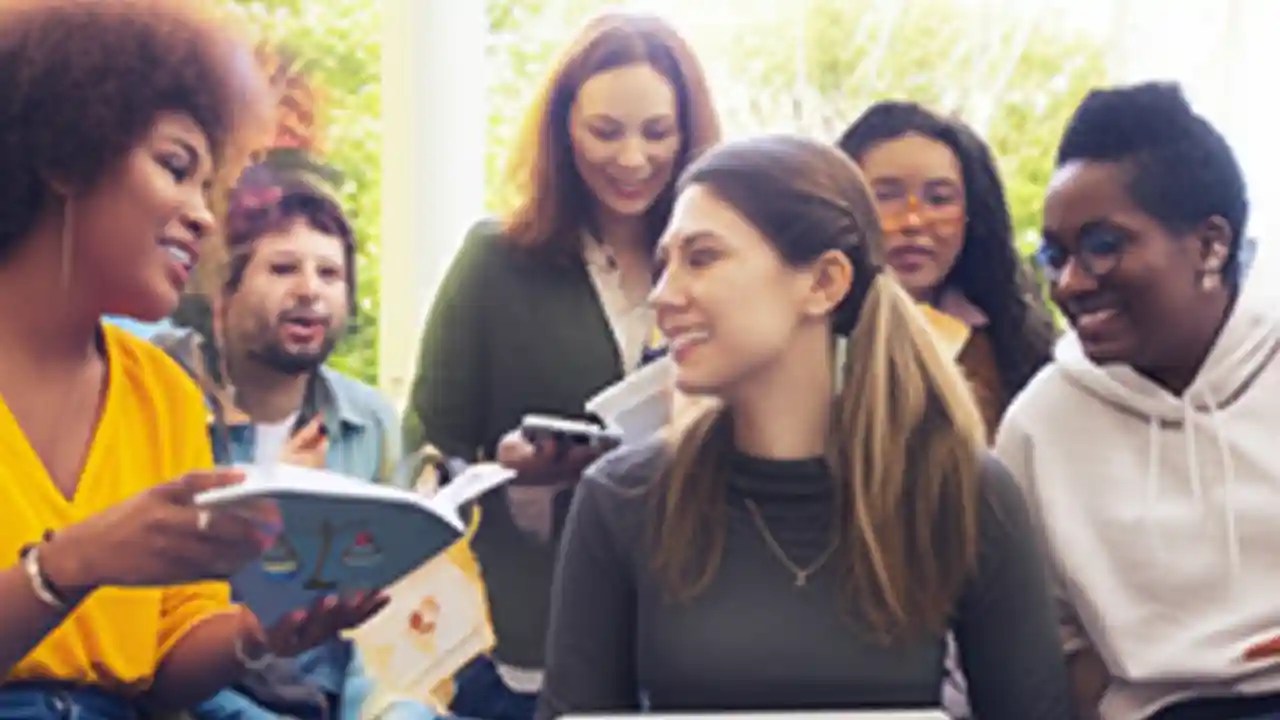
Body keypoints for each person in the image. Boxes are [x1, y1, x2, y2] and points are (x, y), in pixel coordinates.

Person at [539, 135, 1072, 719]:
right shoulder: (623, 500)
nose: (663, 297)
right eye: (664, 265)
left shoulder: (962, 493)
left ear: (823, 284)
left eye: (702, 257)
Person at [0, 2, 382, 717]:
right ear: (62, 152)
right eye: (176, 168)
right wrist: (66, 567)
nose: (205, 217)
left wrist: (258, 630)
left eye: (210, 188)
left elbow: (169, 663)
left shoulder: (163, 394)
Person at [404, 11, 720, 719]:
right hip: (524, 639)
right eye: (606, 131)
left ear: (690, 133)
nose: (633, 158)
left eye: (658, 132)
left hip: (688, 632)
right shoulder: (496, 261)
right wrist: (512, 477)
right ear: (562, 129)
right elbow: (426, 450)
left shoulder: (723, 269)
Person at [996, 82, 1280, 720]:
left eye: (1103, 246)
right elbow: (1049, 641)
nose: (1069, 283)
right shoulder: (1040, 425)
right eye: (1055, 254)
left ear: (1211, 244)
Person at [152, 151, 431, 720]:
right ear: (225, 299)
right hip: (204, 696)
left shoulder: (368, 420)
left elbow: (374, 626)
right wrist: (271, 495)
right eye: (283, 269)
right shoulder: (167, 394)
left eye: (329, 274)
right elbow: (163, 626)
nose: (310, 291)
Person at [837, 102, 1055, 434]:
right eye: (885, 196)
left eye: (939, 199)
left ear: (973, 216)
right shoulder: (807, 340)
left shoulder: (1013, 347)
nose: (913, 221)